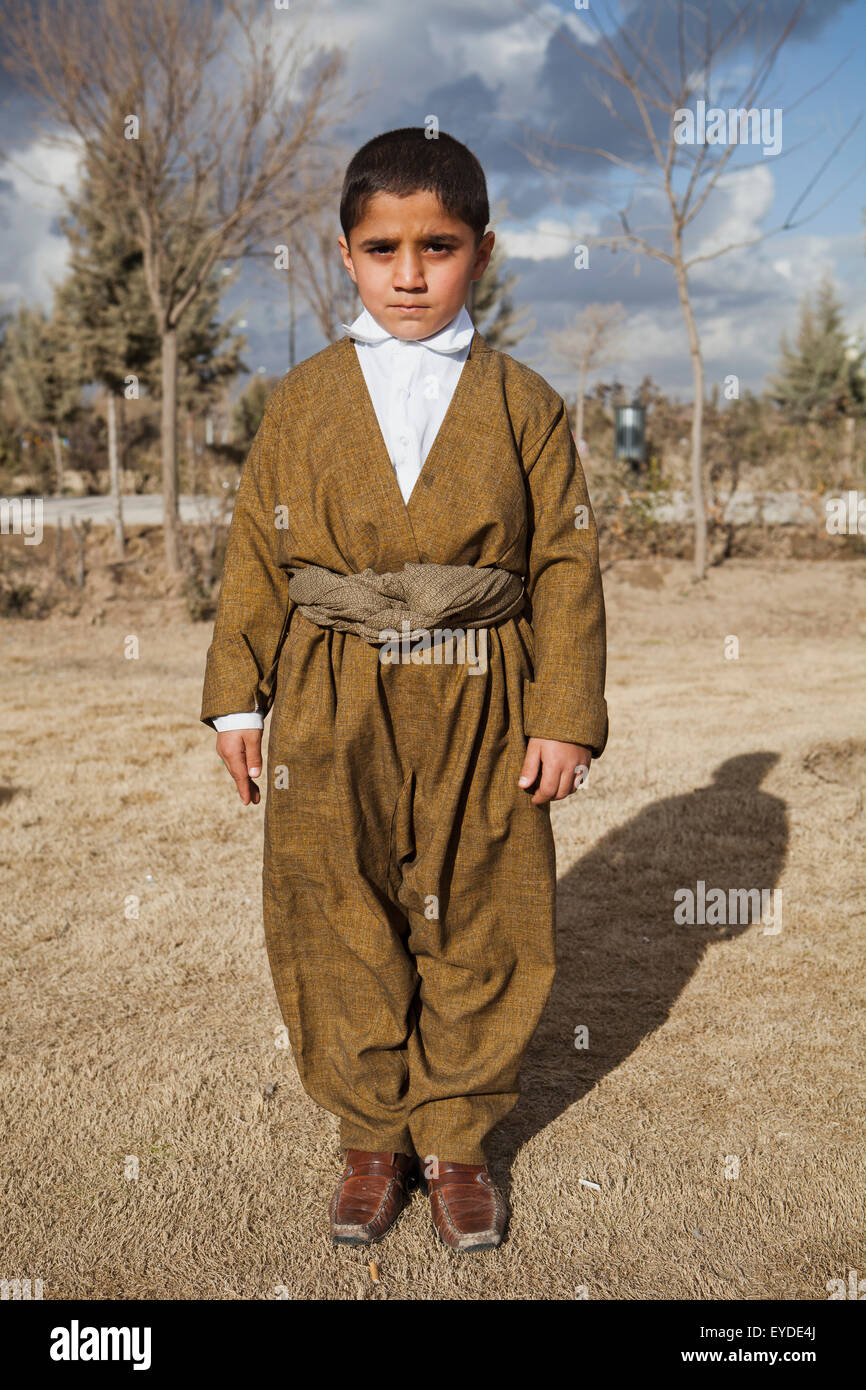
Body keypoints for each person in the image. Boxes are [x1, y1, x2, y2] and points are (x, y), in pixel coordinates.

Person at [200, 127, 608, 1253]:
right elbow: (254, 552)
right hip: (333, 690)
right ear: (345, 256)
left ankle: (459, 1140)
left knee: (485, 902)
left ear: (483, 249)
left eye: (438, 245)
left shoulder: (523, 402)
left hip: (482, 684)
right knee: (333, 902)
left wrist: (564, 712)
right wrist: (239, 700)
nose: (410, 273)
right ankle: (370, 1138)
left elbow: (566, 559)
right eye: (383, 248)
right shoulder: (302, 401)